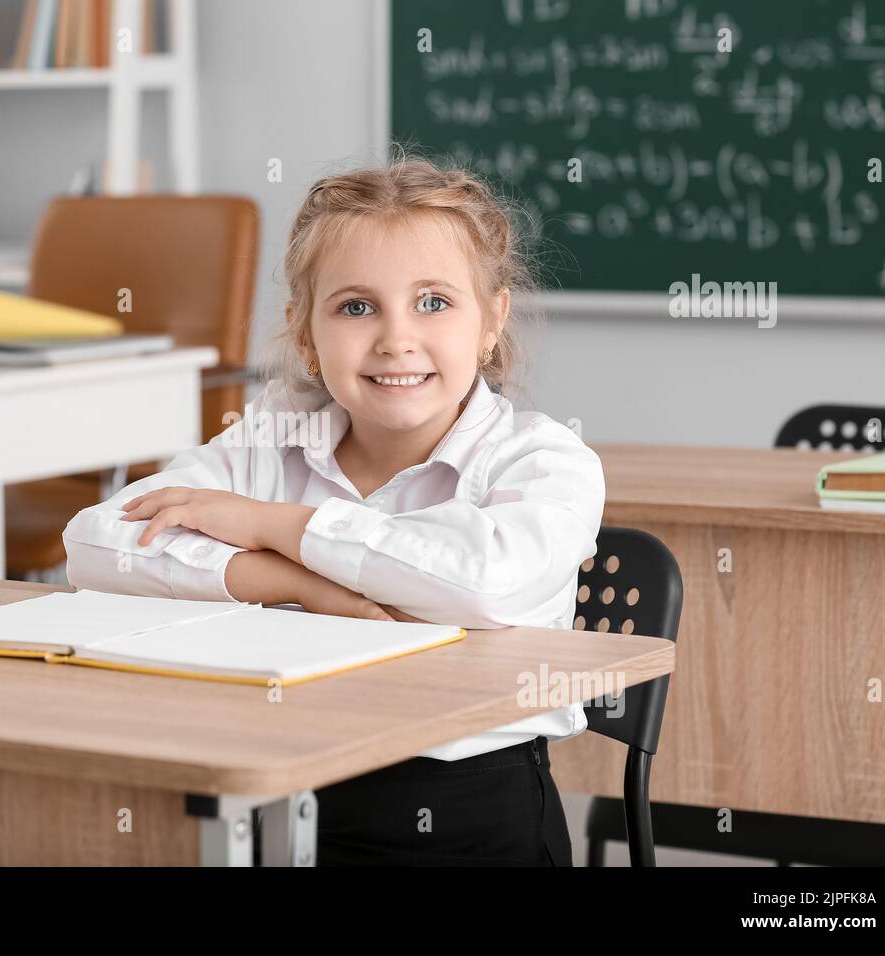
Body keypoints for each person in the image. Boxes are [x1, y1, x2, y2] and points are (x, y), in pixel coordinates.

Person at [63, 152, 605, 865]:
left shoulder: (543, 459)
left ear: (491, 320)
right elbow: (97, 545)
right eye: (356, 307)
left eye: (434, 302)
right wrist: (293, 582)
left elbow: (483, 578)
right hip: (278, 789)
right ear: (307, 335)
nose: (395, 338)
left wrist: (270, 527)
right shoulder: (275, 435)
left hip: (467, 812)